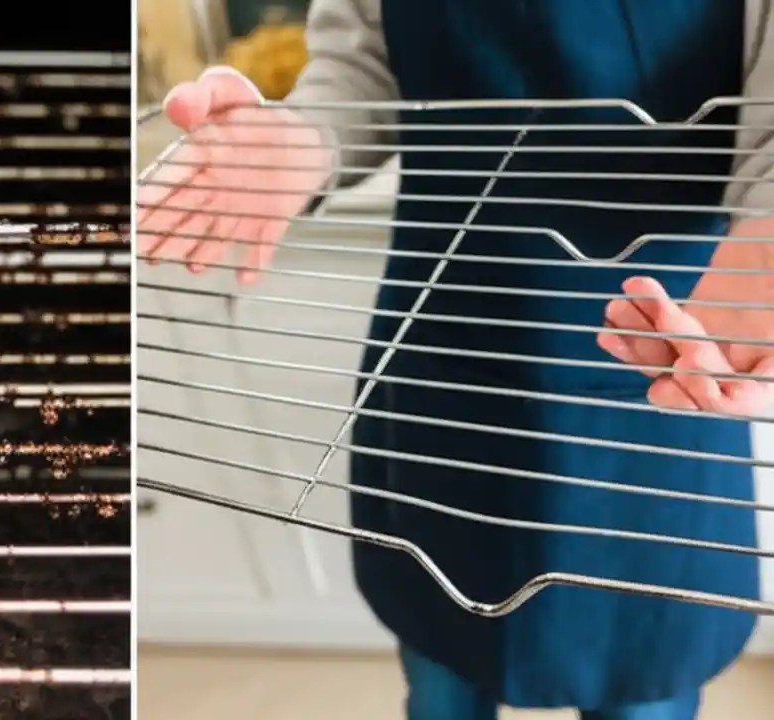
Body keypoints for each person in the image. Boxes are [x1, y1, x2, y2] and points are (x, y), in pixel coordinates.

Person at [137, 2, 774, 719]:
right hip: (444, 353)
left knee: (644, 684)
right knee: (443, 678)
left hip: (667, 349)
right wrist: (304, 138)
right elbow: (362, 69)